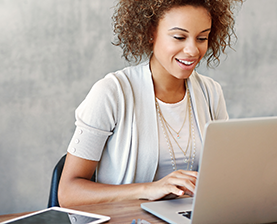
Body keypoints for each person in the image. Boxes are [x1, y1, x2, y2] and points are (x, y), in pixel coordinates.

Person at [58, 0, 243, 207]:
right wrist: (149, 189)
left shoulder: (211, 92)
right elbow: (68, 192)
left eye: (202, 38)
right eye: (179, 37)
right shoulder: (112, 92)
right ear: (150, 33)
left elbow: (223, 174)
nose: (192, 50)